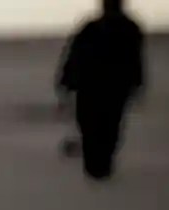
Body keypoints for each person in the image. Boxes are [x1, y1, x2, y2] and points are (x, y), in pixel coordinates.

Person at [57, 0, 145, 180]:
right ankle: (96, 169)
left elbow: (135, 60)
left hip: (108, 89)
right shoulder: (94, 29)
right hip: (95, 89)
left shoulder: (127, 29)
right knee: (95, 130)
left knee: (106, 130)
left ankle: (100, 168)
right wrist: (66, 81)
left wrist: (136, 82)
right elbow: (75, 55)